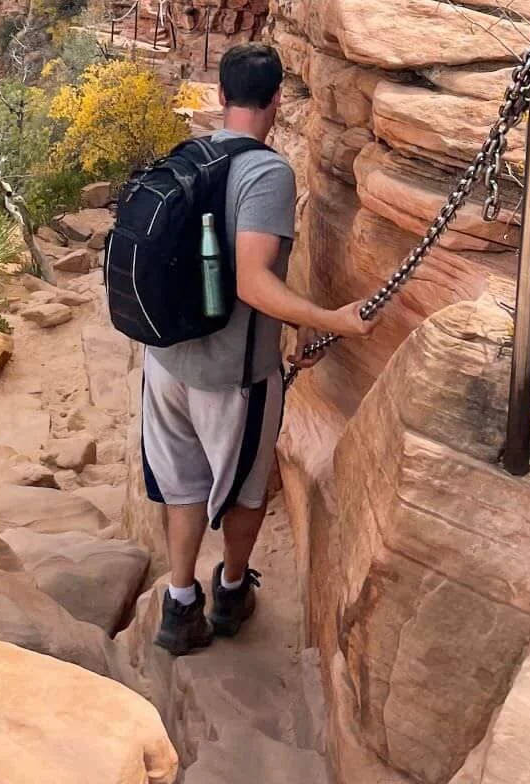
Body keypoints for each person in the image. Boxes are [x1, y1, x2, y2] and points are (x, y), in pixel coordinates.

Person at [142, 43, 375, 655]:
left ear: (220, 96)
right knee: (246, 488)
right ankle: (231, 591)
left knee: (185, 486)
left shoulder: (189, 154)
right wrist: (331, 320)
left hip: (163, 361)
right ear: (276, 101)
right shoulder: (267, 174)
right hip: (231, 374)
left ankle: (179, 604)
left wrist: (297, 323)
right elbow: (252, 282)